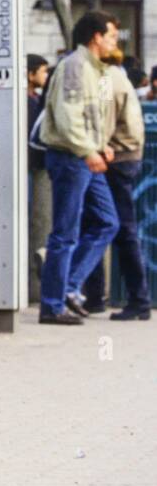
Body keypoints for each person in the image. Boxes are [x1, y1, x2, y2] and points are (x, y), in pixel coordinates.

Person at [34, 10, 122, 325]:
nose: (115, 41)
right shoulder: (75, 66)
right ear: (96, 37)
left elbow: (87, 116)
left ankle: (67, 287)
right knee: (65, 233)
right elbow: (69, 115)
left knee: (107, 222)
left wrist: (101, 145)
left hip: (84, 155)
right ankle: (53, 304)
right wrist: (89, 149)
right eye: (111, 34)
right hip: (72, 157)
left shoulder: (95, 69)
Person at [82, 48, 149, 320]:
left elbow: (104, 122)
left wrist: (96, 147)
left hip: (116, 157)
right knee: (112, 225)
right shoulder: (119, 77)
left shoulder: (107, 80)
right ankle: (100, 295)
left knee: (113, 226)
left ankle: (135, 300)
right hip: (126, 156)